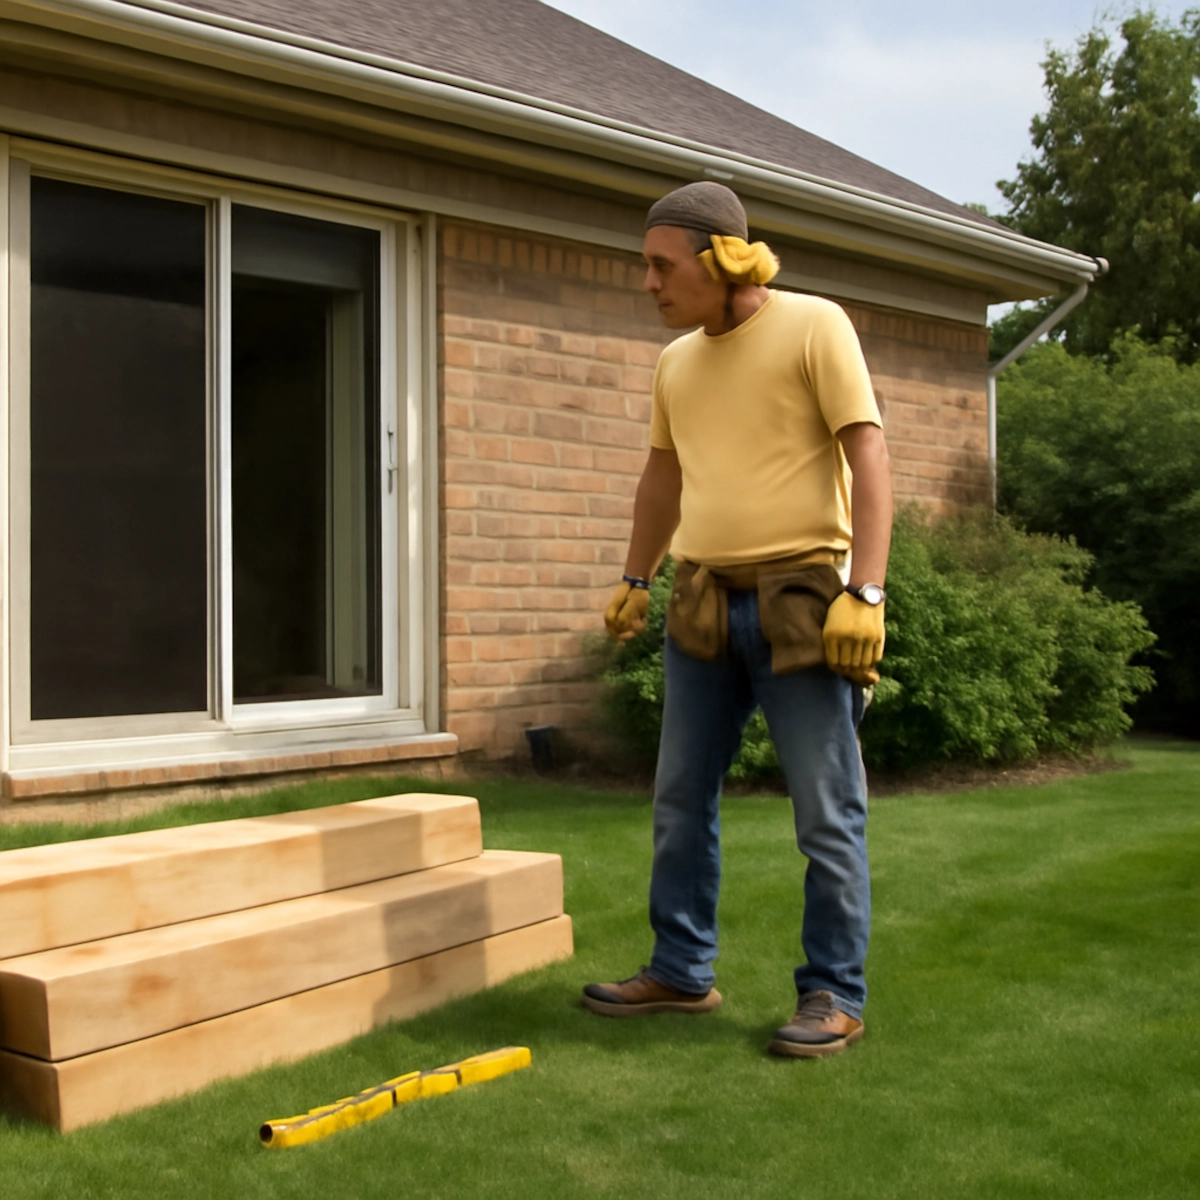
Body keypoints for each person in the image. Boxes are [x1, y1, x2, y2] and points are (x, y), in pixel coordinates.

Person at [581, 181, 893, 1058]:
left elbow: (869, 454)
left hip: (805, 602)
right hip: (703, 600)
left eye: (661, 265)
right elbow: (662, 478)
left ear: (721, 260)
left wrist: (866, 591)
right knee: (680, 797)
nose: (648, 282)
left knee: (826, 812)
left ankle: (833, 993)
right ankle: (681, 970)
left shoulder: (815, 325)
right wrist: (637, 576)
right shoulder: (675, 363)